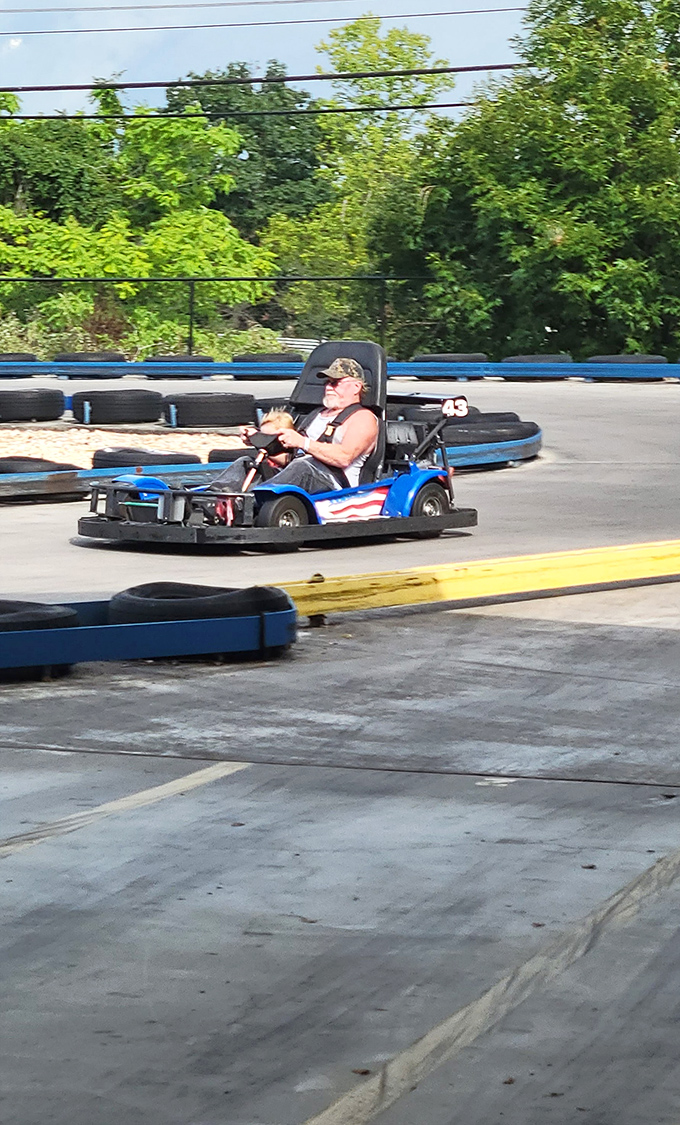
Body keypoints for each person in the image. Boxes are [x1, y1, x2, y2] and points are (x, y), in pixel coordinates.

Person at [211, 357, 379, 494]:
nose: (328, 387)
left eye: (335, 383)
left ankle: (250, 501)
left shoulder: (363, 418)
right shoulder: (316, 415)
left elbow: (344, 457)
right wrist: (258, 440)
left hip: (333, 485)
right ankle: (210, 499)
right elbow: (290, 459)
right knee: (246, 462)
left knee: (302, 467)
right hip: (299, 473)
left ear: (356, 387)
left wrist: (303, 442)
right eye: (327, 382)